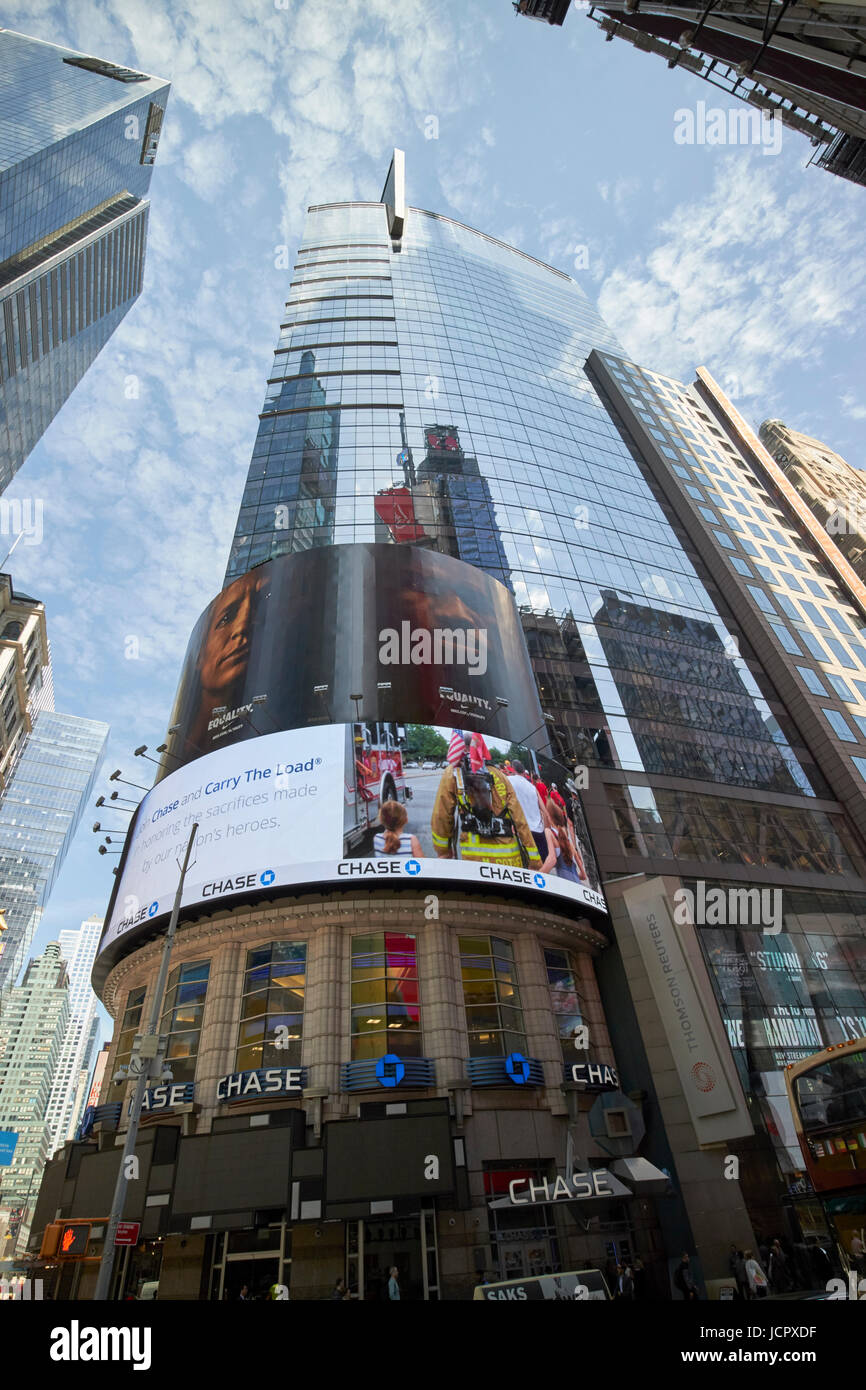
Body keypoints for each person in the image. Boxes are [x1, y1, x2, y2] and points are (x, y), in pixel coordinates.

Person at [431, 742, 541, 869]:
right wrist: (534, 860)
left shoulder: (454, 773)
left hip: (475, 861)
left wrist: (443, 850)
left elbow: (442, 816)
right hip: (510, 861)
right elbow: (520, 820)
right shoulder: (501, 775)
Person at [507, 759, 549, 863]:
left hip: (523, 832)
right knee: (541, 866)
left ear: (513, 769)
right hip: (539, 832)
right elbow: (545, 812)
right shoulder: (532, 787)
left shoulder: (509, 780)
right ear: (523, 771)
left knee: (527, 867)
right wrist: (547, 833)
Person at [547, 800, 588, 883]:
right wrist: (575, 876)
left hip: (566, 886)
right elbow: (583, 876)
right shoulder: (568, 842)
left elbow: (551, 860)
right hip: (577, 885)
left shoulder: (550, 834)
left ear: (549, 817)